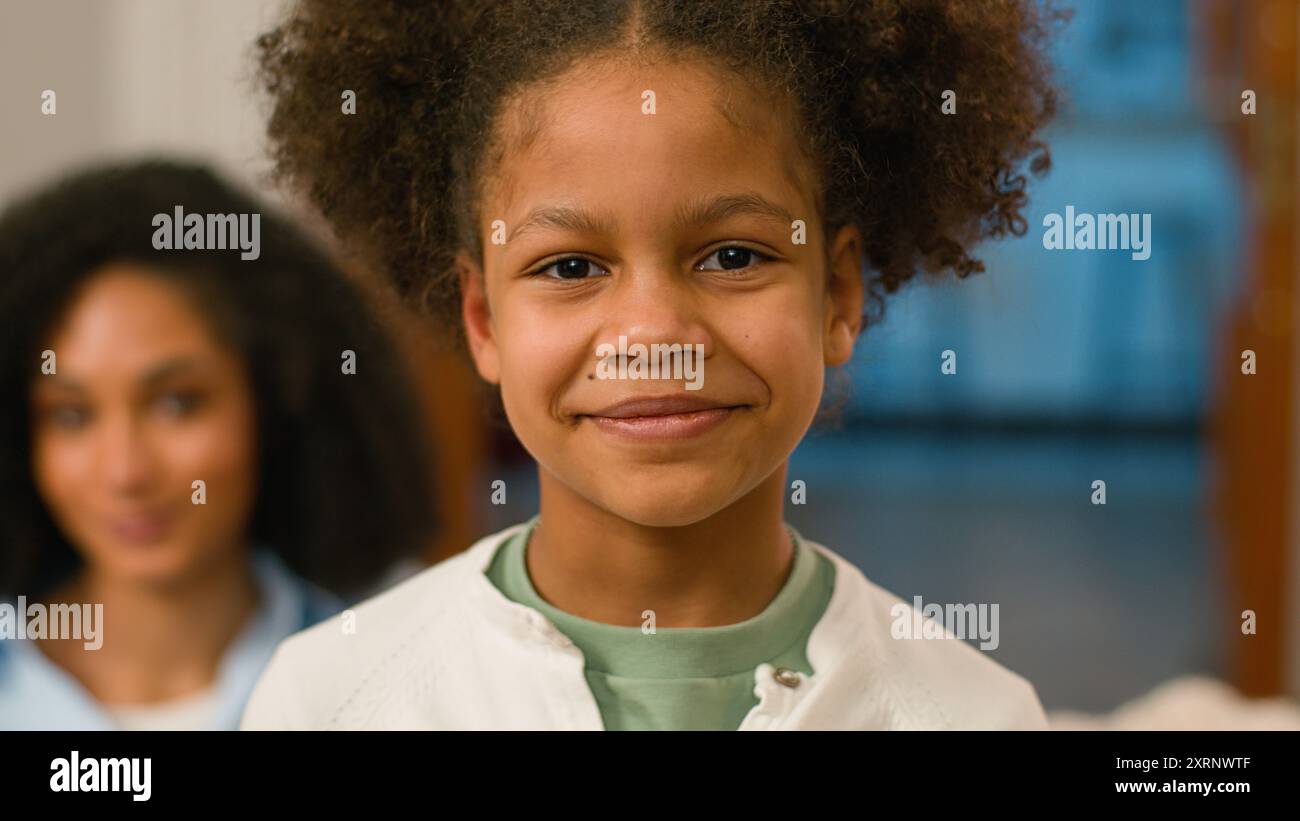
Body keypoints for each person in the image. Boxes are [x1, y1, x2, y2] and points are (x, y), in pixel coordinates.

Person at [243, 0, 1061, 730]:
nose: (653, 332)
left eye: (733, 255)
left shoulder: (977, 714)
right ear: (483, 317)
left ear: (836, 295)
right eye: (570, 267)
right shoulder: (330, 702)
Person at [0, 160, 438, 729]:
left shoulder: (398, 667)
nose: (126, 472)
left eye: (177, 403)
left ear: (275, 398)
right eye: (72, 415)